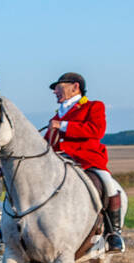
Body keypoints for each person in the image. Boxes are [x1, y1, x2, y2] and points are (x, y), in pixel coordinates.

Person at [45, 72, 124, 252]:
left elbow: (96, 131)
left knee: (108, 185)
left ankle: (113, 234)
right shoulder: (58, 115)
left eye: (58, 87)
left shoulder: (94, 106)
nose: (55, 91)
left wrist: (63, 125)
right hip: (58, 161)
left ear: (75, 86)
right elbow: (47, 141)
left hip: (86, 159)